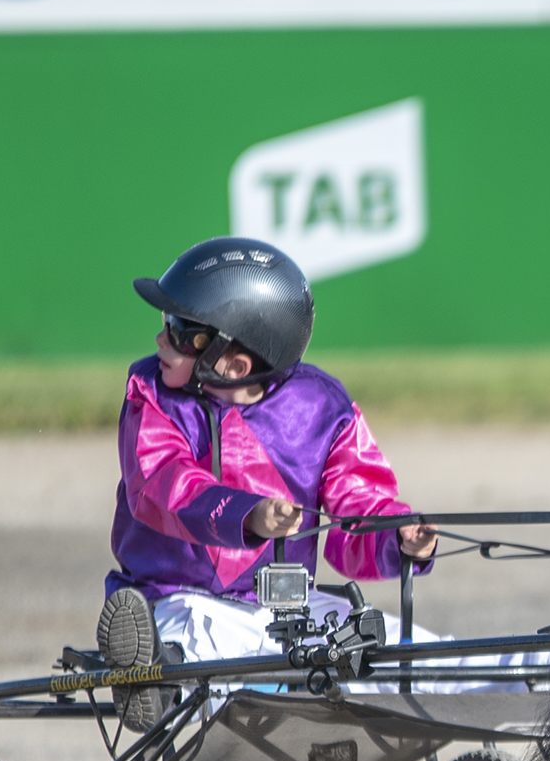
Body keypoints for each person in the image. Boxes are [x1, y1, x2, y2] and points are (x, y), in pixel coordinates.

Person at [97, 235, 436, 726]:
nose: (160, 340)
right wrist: (248, 515)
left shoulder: (321, 407)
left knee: (397, 647)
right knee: (193, 636)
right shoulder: (151, 394)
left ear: (235, 362)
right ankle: (154, 675)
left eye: (181, 332)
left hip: (288, 610)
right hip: (174, 598)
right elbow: (163, 481)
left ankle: (536, 671)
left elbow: (357, 505)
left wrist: (400, 536)